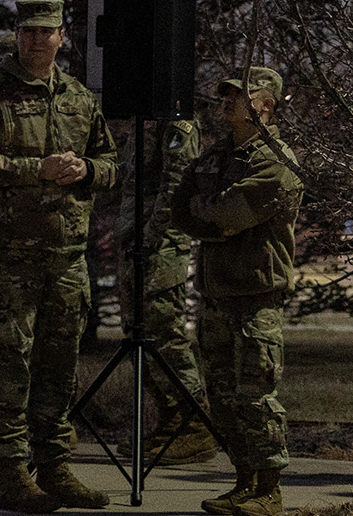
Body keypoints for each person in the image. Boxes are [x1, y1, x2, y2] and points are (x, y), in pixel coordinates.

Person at [0, 0, 118, 513]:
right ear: (18, 36)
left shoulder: (79, 99)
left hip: (66, 257)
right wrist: (34, 170)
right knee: (9, 369)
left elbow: (111, 163)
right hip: (8, 259)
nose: (37, 41)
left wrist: (85, 170)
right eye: (28, 32)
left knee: (58, 368)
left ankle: (56, 469)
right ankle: (13, 475)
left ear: (62, 37)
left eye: (47, 33)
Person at [169, 66, 302, 516]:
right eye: (226, 94)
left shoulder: (276, 159)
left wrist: (210, 212)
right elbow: (180, 208)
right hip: (214, 294)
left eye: (241, 95)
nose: (228, 101)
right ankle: (244, 482)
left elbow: (237, 210)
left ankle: (270, 491)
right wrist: (212, 220)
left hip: (254, 296)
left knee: (256, 397)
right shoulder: (214, 156)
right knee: (222, 398)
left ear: (266, 104)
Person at [113, 111, 214, 464]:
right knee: (137, 328)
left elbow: (175, 187)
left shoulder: (179, 122)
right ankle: (170, 419)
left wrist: (152, 237)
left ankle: (193, 424)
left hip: (158, 243)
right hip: (133, 238)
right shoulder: (143, 122)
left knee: (163, 330)